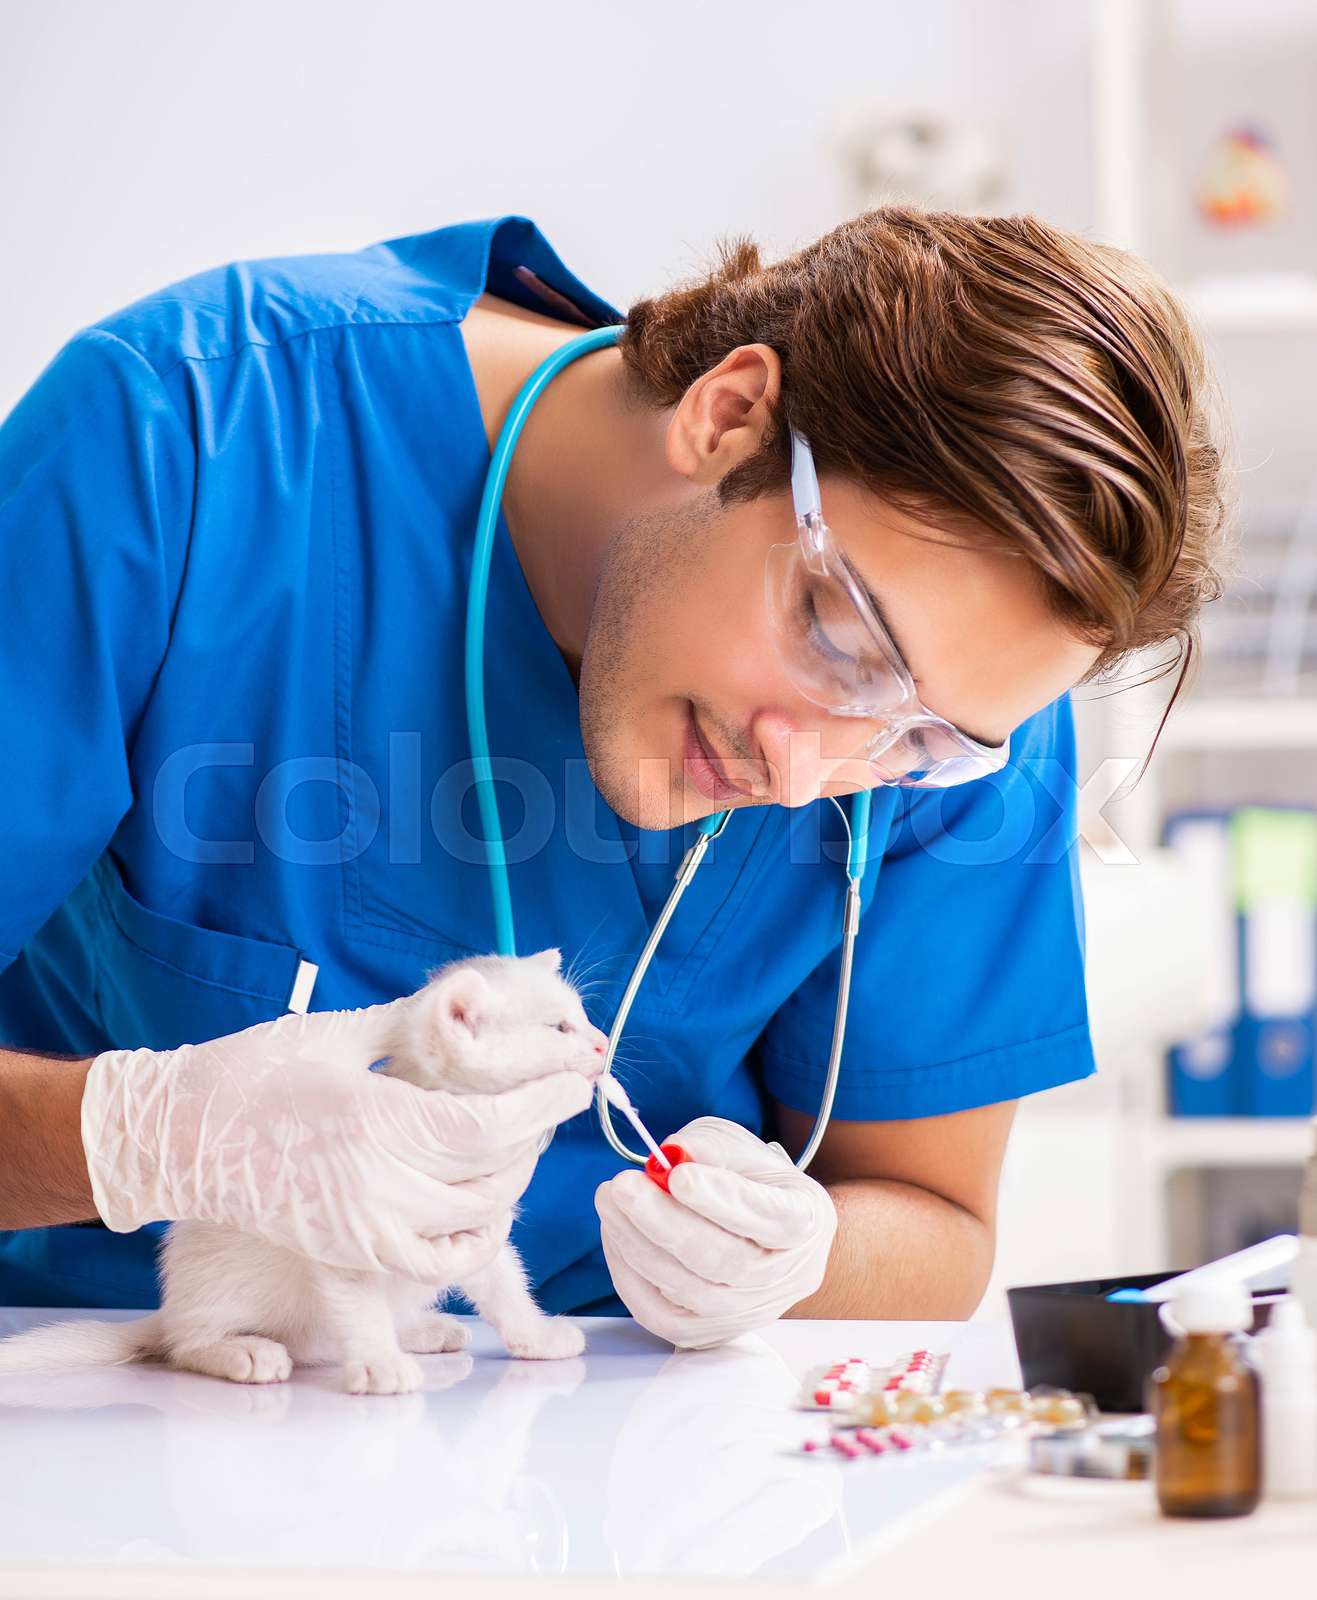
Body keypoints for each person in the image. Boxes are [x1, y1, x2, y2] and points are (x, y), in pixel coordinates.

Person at [0, 209, 1226, 1346]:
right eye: (841, 640)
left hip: (609, 1451)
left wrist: (795, 1261)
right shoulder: (192, 437)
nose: (808, 777)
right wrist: (137, 1137)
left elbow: (932, 1219)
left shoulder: (964, 716)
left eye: (914, 741)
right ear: (733, 411)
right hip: (92, 1396)